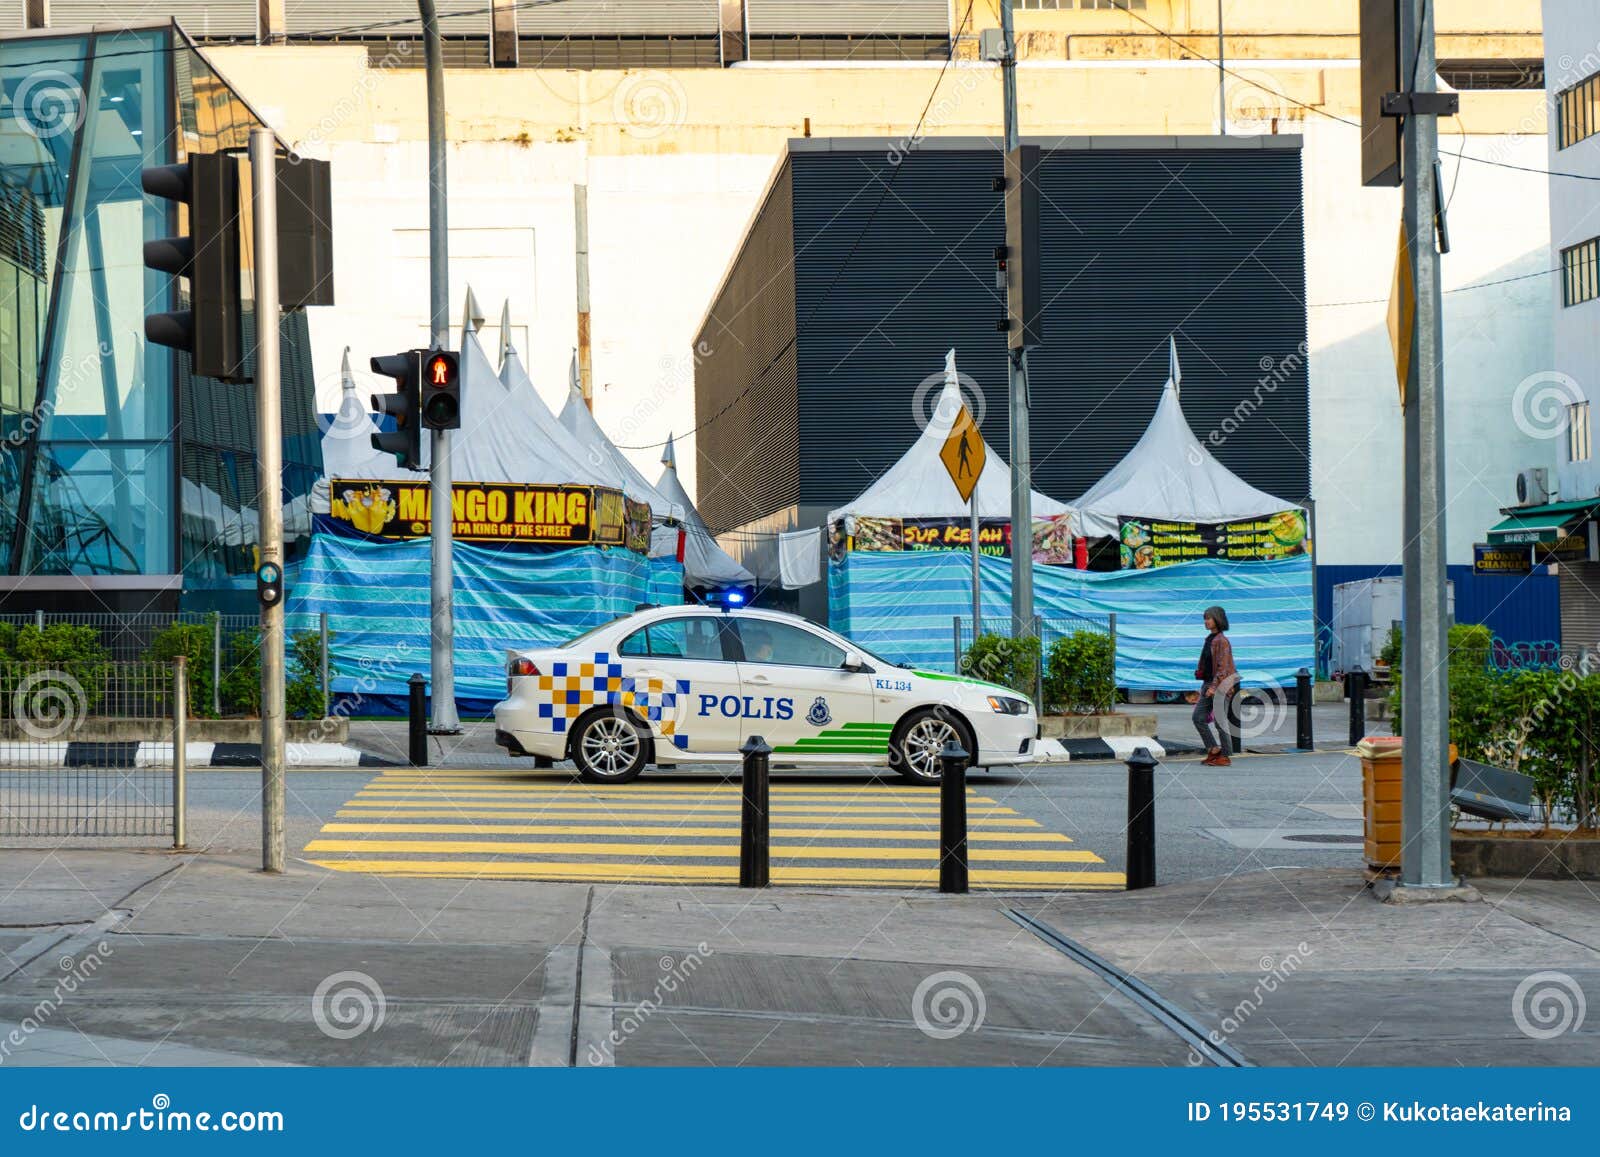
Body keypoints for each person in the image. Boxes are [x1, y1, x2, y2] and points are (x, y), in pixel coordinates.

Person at [1192, 605, 1237, 767]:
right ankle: (1213, 750)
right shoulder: (1209, 639)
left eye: (1209, 618)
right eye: (1205, 618)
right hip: (1208, 684)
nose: (1206, 621)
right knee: (1198, 718)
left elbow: (1223, 667)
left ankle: (1225, 756)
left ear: (1217, 619)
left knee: (1219, 722)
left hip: (1221, 686)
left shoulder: (1222, 641)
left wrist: (1213, 686)